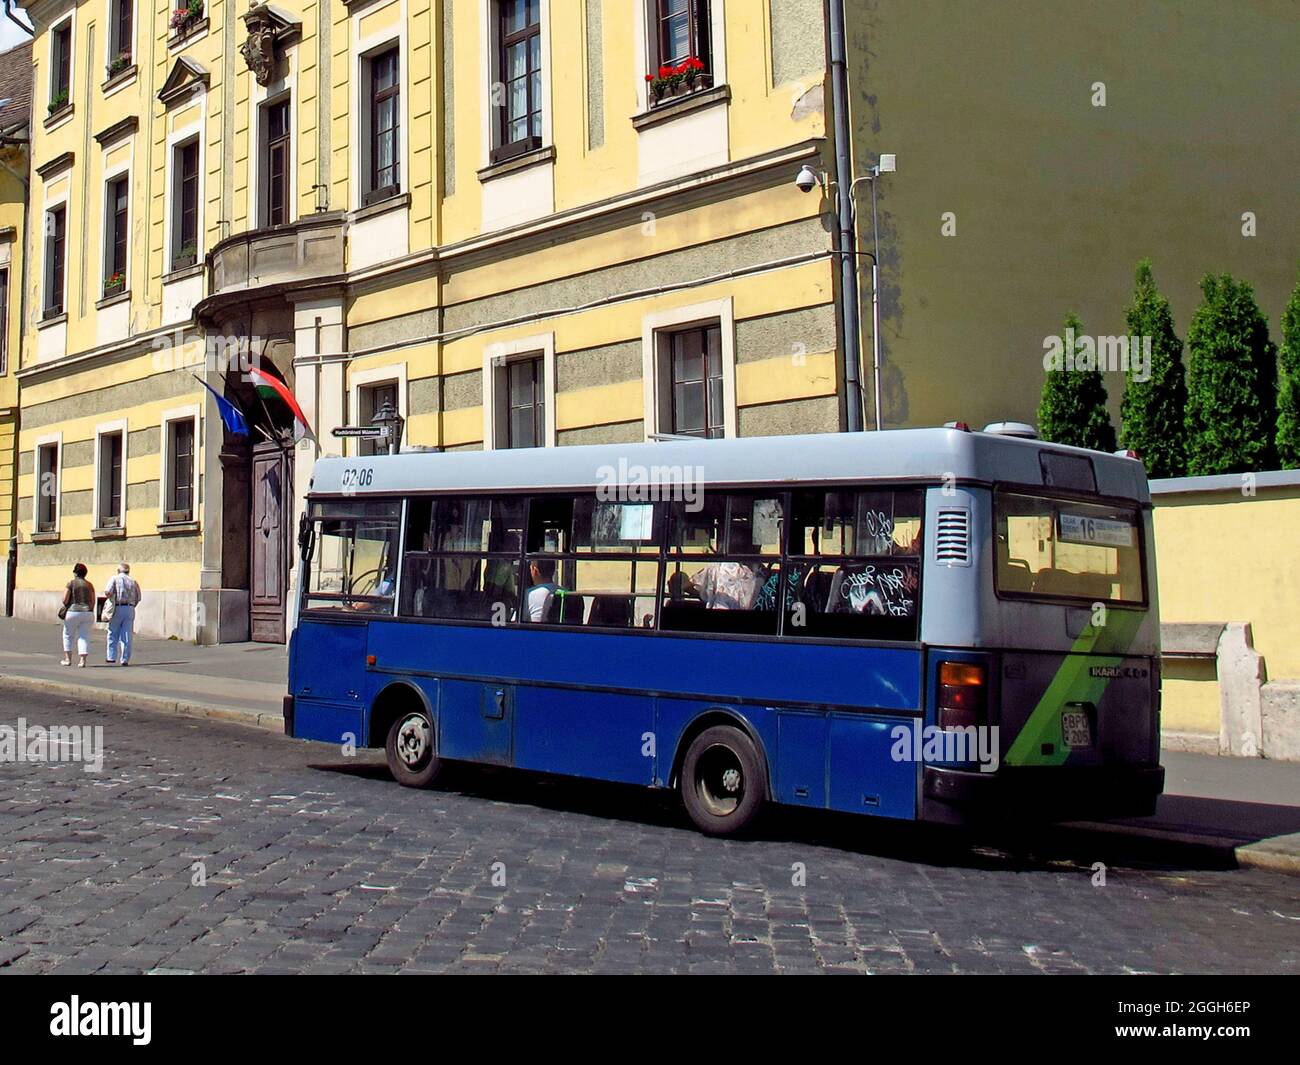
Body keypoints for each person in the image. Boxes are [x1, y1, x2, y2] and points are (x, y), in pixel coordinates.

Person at [105, 562, 142, 666]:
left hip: (118, 606)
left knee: (112, 632)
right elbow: (139, 597)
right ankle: (124, 659)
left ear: (118, 571)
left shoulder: (114, 578)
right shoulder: (133, 581)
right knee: (126, 634)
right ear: (128, 571)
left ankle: (111, 657)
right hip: (130, 608)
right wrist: (132, 605)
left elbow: (107, 591)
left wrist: (111, 598)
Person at [60, 563, 95, 668]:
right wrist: (89, 609)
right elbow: (93, 600)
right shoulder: (89, 584)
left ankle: (68, 659)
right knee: (84, 636)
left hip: (73, 612)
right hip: (87, 612)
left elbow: (64, 599)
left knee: (68, 635)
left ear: (75, 572)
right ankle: (82, 661)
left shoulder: (71, 583)